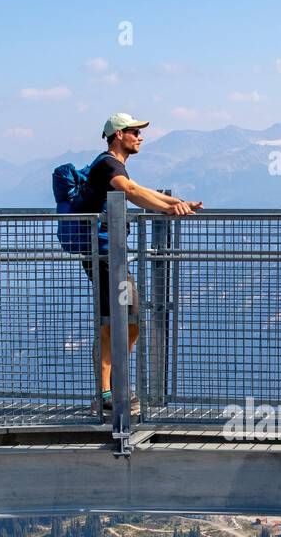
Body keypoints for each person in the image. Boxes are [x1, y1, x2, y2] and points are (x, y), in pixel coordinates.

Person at [77, 113, 203, 416]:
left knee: (118, 322)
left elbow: (140, 190)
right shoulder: (108, 164)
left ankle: (110, 392)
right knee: (125, 318)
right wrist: (174, 207)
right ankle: (110, 393)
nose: (140, 137)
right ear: (118, 134)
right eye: (135, 131)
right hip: (106, 258)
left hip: (109, 257)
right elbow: (132, 193)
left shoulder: (112, 166)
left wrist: (176, 203)